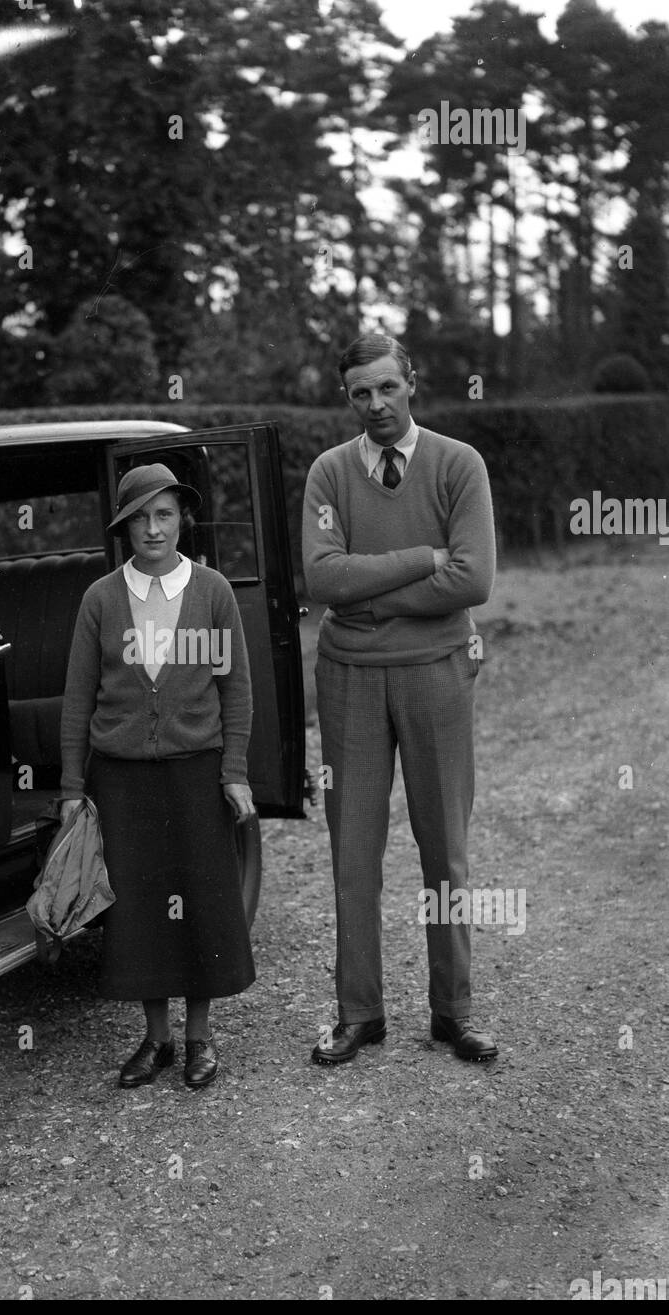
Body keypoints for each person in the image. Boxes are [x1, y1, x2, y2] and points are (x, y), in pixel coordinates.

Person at [302, 332, 498, 1065]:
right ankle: (359, 1014)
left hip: (436, 672)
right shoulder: (327, 475)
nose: (375, 404)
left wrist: (373, 595)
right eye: (360, 392)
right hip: (347, 677)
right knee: (352, 850)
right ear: (346, 398)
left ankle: (452, 1014)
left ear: (410, 384)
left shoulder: (457, 465)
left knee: (444, 850)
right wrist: (421, 559)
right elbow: (322, 580)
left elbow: (473, 581)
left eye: (386, 387)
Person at [60, 462, 256, 1090]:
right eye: (141, 517)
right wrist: (71, 788)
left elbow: (237, 691)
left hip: (195, 774)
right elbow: (77, 698)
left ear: (181, 520)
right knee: (141, 907)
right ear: (125, 526)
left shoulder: (212, 591)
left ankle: (199, 1040)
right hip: (123, 780)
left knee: (199, 898)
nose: (154, 528)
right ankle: (157, 1039)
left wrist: (235, 771)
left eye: (165, 514)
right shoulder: (101, 598)